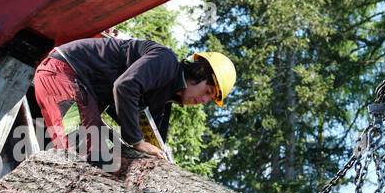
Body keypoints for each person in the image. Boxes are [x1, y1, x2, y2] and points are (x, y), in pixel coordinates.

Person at [32, 35, 235, 163]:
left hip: (76, 89)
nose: (204, 100)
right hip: (63, 75)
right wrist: (136, 140)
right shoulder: (165, 61)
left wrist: (160, 155)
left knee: (100, 154)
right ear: (199, 71)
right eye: (208, 91)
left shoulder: (163, 99)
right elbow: (125, 86)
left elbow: (155, 142)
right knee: (88, 150)